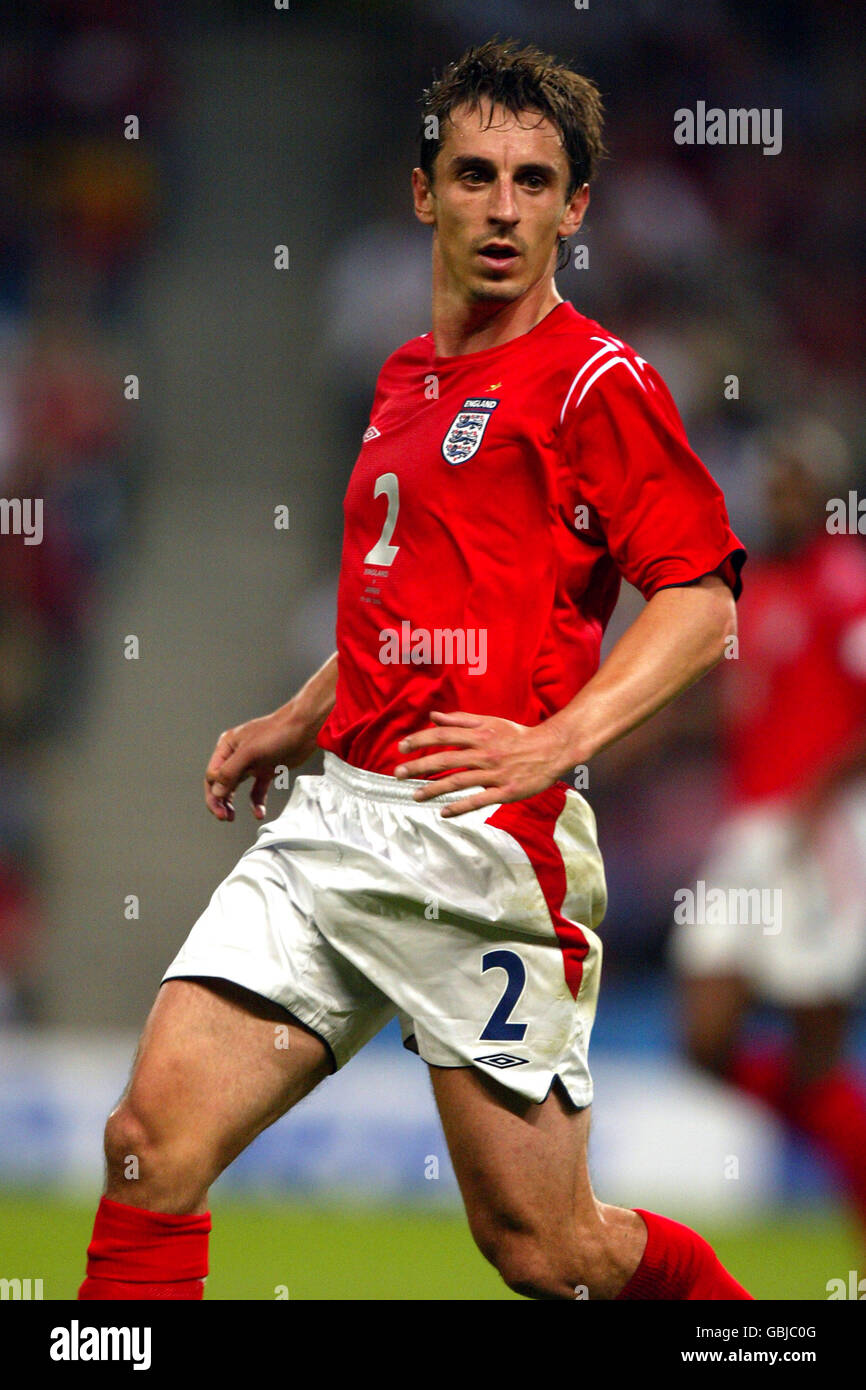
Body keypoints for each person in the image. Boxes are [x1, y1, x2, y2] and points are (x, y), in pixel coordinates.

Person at [79, 38, 750, 1301]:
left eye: (535, 182)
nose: (503, 208)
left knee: (544, 1253)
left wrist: (559, 740)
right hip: (333, 826)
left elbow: (701, 594)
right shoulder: (404, 377)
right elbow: (413, 601)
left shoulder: (596, 384)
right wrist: (297, 715)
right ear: (421, 191)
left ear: (575, 207)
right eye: (476, 173)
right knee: (145, 1147)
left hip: (480, 842)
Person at [671, 415, 866, 1242]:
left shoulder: (846, 581)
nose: (778, 497)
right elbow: (728, 712)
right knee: (704, 1037)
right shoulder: (757, 590)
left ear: (826, 495)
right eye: (772, 483)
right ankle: (847, 1147)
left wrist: (818, 797)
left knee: (815, 1037)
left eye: (792, 483)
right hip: (751, 835)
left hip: (825, 833)